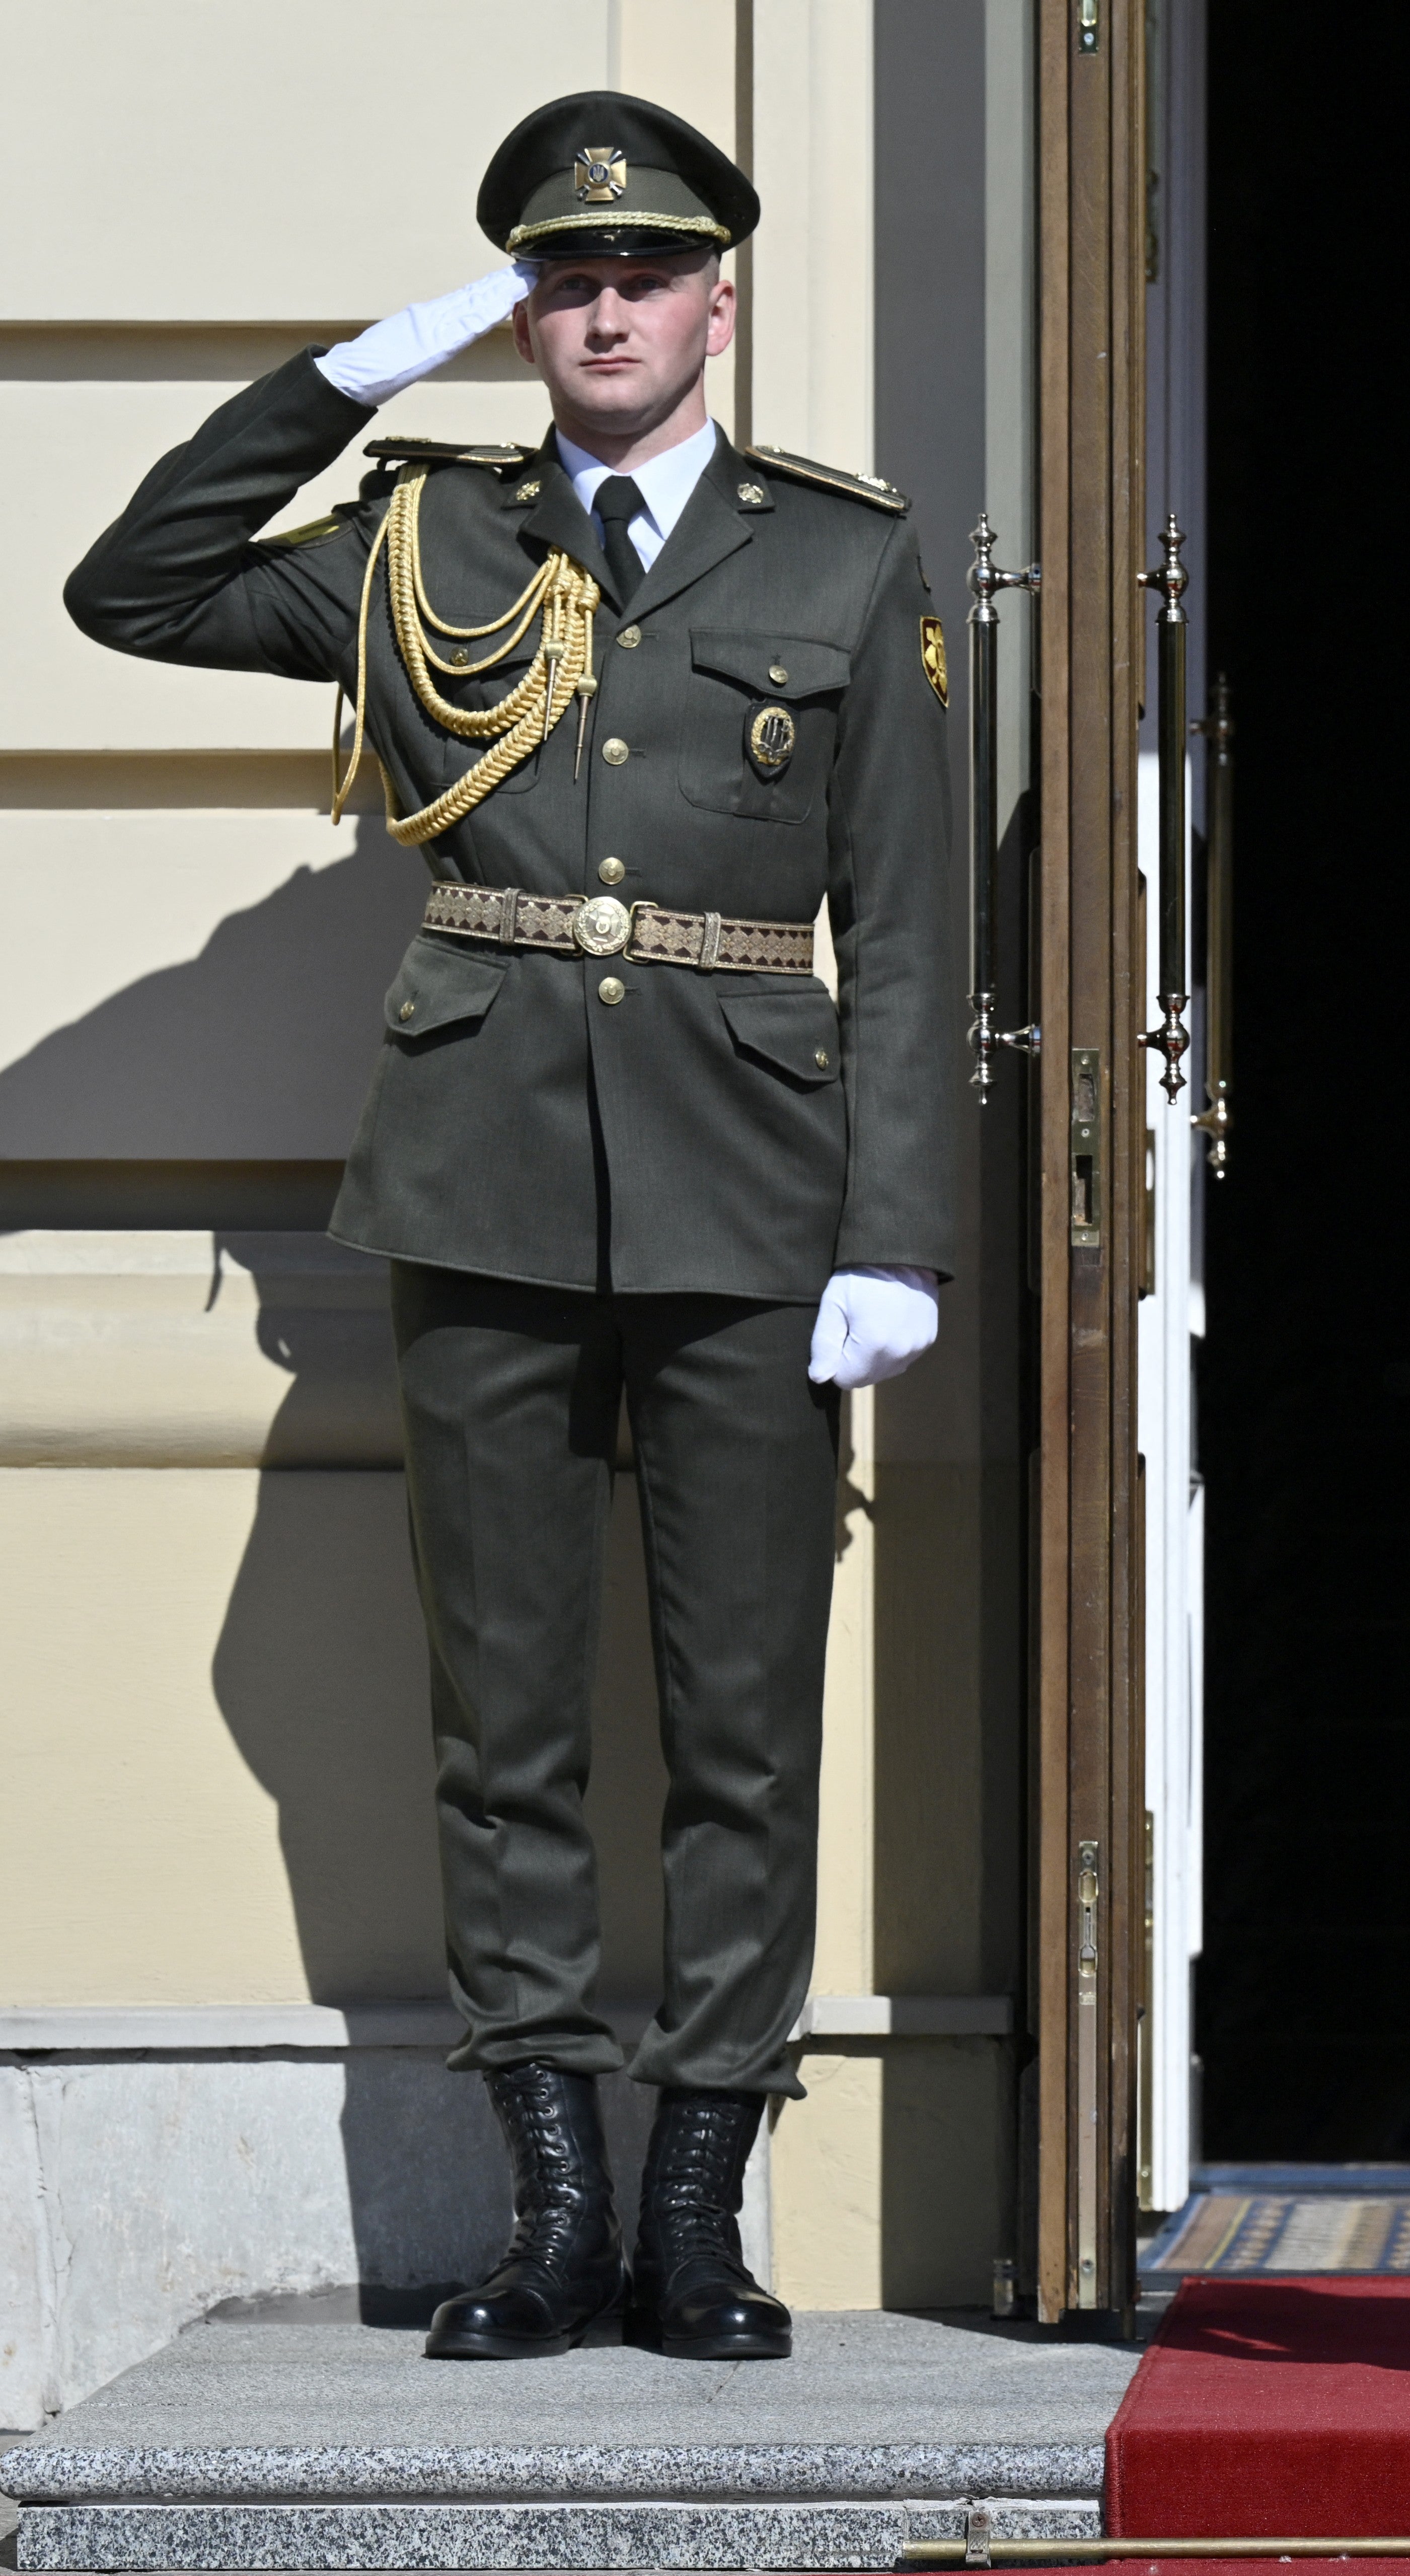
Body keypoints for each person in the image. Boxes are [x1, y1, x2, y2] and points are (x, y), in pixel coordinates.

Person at [67, 92, 960, 2364]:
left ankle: (698, 2210)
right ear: (524, 310)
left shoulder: (842, 560)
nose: (605, 311)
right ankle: (552, 2211)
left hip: (759, 1210)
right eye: (563, 281)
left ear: (716, 303)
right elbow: (134, 587)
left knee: (746, 1729)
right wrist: (359, 373)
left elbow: (919, 928)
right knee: (507, 1729)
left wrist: (898, 1229)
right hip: (478, 1192)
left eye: (643, 276)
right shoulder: (416, 544)